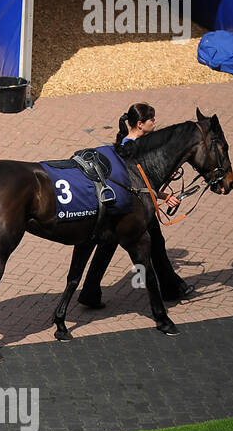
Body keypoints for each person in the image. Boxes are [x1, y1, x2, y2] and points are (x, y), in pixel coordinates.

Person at [79, 102, 193, 308]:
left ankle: (89, 292)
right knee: (155, 246)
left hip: (126, 207)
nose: (155, 122)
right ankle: (171, 288)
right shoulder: (132, 149)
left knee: (107, 248)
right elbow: (139, 184)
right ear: (140, 124)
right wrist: (165, 196)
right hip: (134, 210)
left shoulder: (134, 143)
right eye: (152, 120)